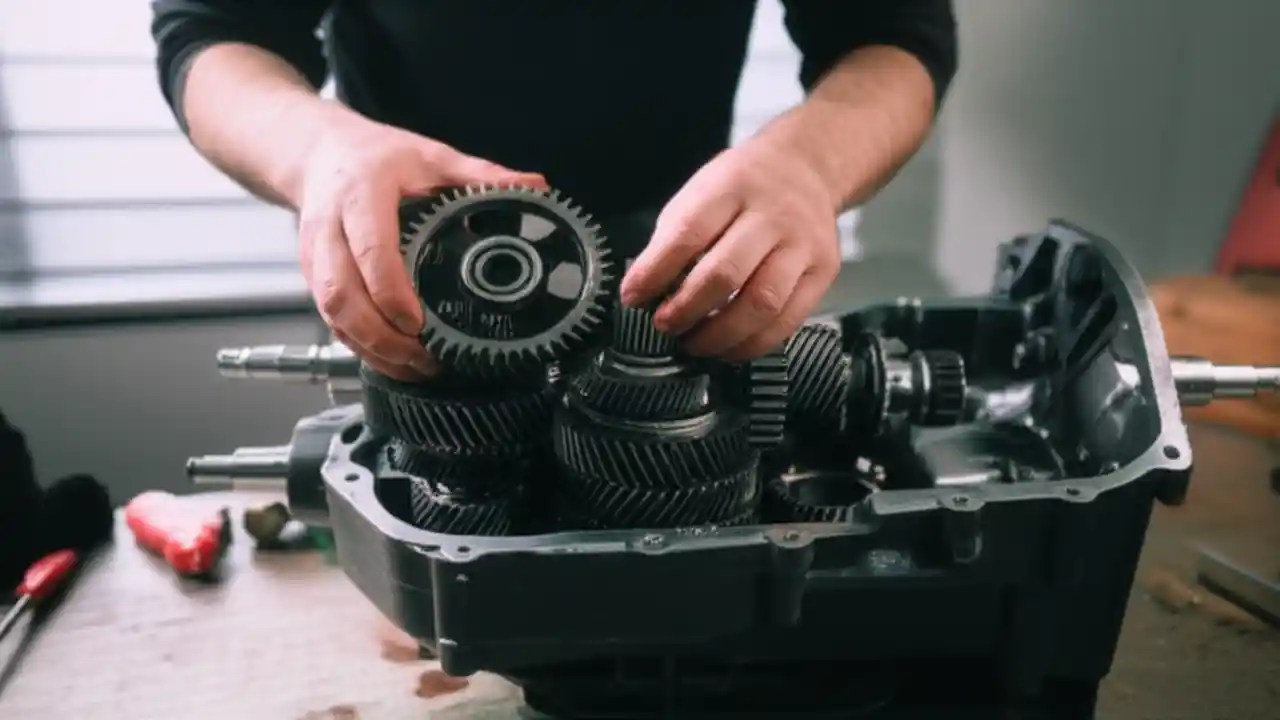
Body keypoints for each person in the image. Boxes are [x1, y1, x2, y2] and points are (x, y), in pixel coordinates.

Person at [150, 1, 957, 381]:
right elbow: (216, 33)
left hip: (675, 284)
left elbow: (889, 33)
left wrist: (808, 166)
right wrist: (318, 150)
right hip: (419, 286)